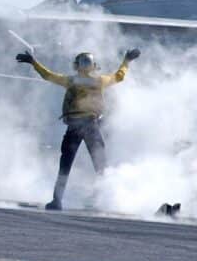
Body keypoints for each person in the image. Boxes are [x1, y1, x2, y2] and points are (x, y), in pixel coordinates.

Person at [16, 48, 141, 210]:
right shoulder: (100, 81)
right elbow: (119, 76)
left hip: (74, 126)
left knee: (65, 166)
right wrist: (126, 61)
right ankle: (108, 201)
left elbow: (47, 75)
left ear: (77, 66)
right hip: (91, 125)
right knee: (101, 165)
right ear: (94, 66)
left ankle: (57, 200)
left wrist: (33, 62)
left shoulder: (71, 81)